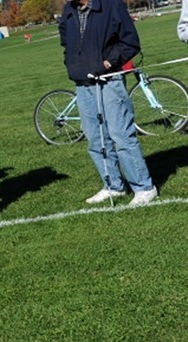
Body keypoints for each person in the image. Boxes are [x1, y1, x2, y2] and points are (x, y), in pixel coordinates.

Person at [59, 0, 158, 206]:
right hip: (83, 82)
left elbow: (130, 42)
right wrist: (72, 63)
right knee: (95, 138)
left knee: (120, 134)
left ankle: (144, 187)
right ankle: (113, 185)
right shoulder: (68, 10)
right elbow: (66, 41)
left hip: (109, 80)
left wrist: (108, 61)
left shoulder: (112, 5)